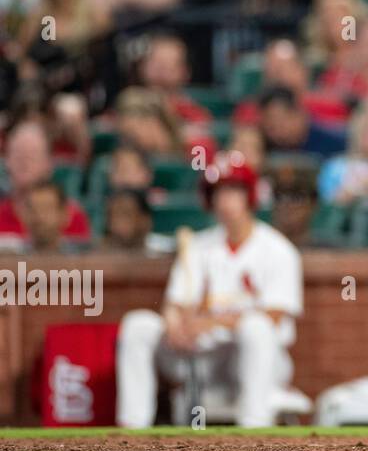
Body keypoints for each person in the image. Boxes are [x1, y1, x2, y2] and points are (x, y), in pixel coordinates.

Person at [116, 155, 304, 428]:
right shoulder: (198, 245)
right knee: (138, 325)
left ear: (249, 195)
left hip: (257, 360)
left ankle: (255, 428)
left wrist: (207, 322)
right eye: (219, 192)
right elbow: (175, 303)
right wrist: (174, 324)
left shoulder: (278, 249)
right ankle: (131, 428)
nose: (225, 200)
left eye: (233, 191)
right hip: (203, 357)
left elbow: (273, 316)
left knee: (256, 327)